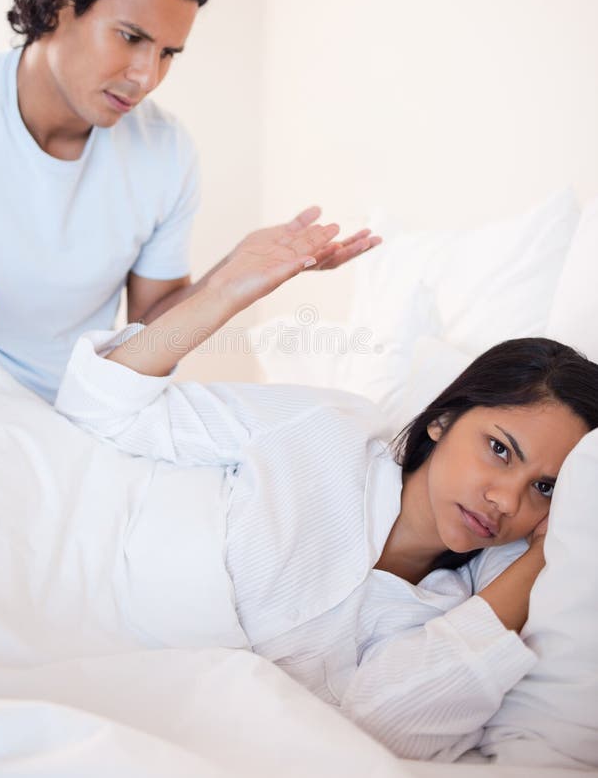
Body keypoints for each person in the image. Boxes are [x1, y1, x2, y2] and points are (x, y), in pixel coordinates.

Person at [55, 217, 598, 761]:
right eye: (499, 449)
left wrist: (543, 556)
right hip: (87, 641)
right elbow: (101, 403)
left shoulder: (453, 610)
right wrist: (225, 293)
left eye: (545, 488)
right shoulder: (327, 429)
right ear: (443, 419)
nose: (507, 501)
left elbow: (378, 736)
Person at [0, 0, 377, 401]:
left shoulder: (165, 149)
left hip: (82, 410)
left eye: (168, 53)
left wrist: (232, 279)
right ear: (59, 4)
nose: (147, 77)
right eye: (131, 37)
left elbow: (150, 338)